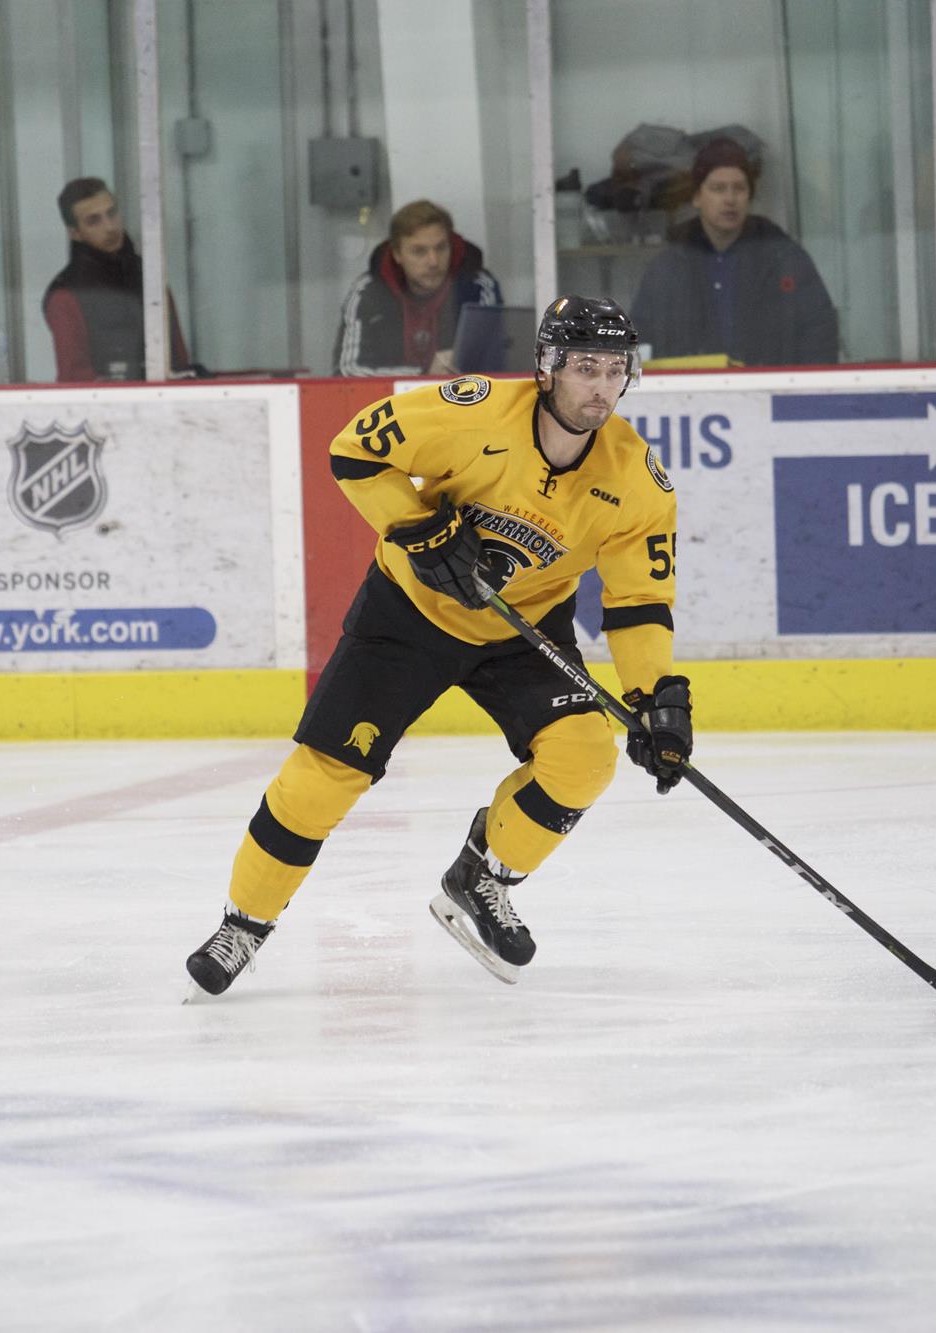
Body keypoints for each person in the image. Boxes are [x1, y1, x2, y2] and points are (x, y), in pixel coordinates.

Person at [186, 297, 691, 996]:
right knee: (322, 776)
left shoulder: (637, 478)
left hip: (522, 630)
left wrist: (654, 695)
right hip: (408, 616)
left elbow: (638, 602)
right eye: (584, 367)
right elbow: (354, 450)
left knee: (584, 754)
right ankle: (244, 922)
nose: (601, 386)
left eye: (614, 369)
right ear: (546, 368)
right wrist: (418, 531)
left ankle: (483, 876)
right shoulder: (473, 411)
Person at [630, 137, 838, 366]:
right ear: (697, 197)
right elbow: (641, 340)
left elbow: (820, 333)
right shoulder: (668, 267)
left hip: (770, 394)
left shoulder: (785, 258)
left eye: (739, 188)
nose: (730, 199)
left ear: (749, 196)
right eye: (718, 189)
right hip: (691, 394)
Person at [42, 177, 191, 381]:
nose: (110, 227)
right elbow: (75, 379)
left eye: (112, 214)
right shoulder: (65, 296)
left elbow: (178, 361)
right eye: (94, 221)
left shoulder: (148, 276)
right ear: (75, 233)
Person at [332, 199, 502, 376]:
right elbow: (347, 371)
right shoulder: (367, 291)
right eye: (419, 251)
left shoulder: (478, 286)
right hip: (390, 402)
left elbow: (498, 365)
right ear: (397, 254)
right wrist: (423, 374)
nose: (433, 261)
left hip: (462, 399)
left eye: (441, 248)